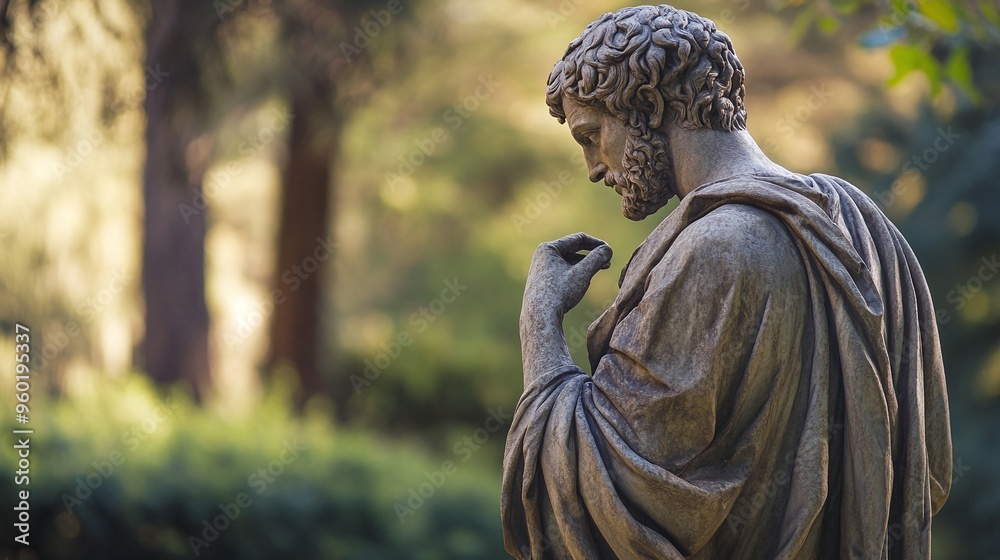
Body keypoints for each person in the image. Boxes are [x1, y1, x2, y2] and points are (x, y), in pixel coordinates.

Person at [501, 5, 952, 559]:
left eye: (592, 136)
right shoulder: (864, 225)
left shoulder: (711, 251)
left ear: (648, 104)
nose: (594, 167)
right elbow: (925, 470)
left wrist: (539, 323)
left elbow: (604, 496)